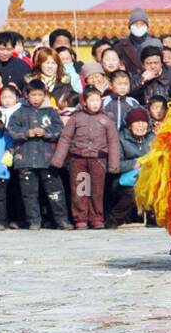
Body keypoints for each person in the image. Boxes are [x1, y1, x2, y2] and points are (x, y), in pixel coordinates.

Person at [51, 86, 120, 230]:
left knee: (96, 189)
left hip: (98, 159)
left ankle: (96, 217)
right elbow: (65, 138)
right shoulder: (76, 118)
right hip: (78, 158)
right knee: (80, 189)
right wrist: (58, 159)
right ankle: (80, 217)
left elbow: (113, 142)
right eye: (91, 100)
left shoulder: (106, 119)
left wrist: (114, 164)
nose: (95, 103)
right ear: (84, 102)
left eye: (97, 100)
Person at [7, 80, 70, 230]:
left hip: (48, 159)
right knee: (29, 194)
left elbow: (60, 130)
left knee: (55, 191)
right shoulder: (19, 113)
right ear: (26, 96)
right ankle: (33, 220)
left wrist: (46, 133)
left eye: (39, 95)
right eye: (33, 95)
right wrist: (26, 133)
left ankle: (61, 220)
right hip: (25, 159)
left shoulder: (51, 112)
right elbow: (12, 131)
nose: (36, 98)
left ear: (44, 96)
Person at [107, 107, 153, 228]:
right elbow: (115, 165)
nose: (141, 125)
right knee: (133, 193)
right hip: (124, 180)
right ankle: (114, 219)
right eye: (137, 122)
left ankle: (154, 217)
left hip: (148, 177)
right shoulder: (120, 139)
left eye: (144, 122)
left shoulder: (152, 137)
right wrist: (135, 163)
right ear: (129, 125)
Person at [114, 9, 162, 77]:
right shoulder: (120, 45)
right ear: (130, 26)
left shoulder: (156, 44)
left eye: (142, 24)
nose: (139, 27)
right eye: (136, 24)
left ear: (147, 26)